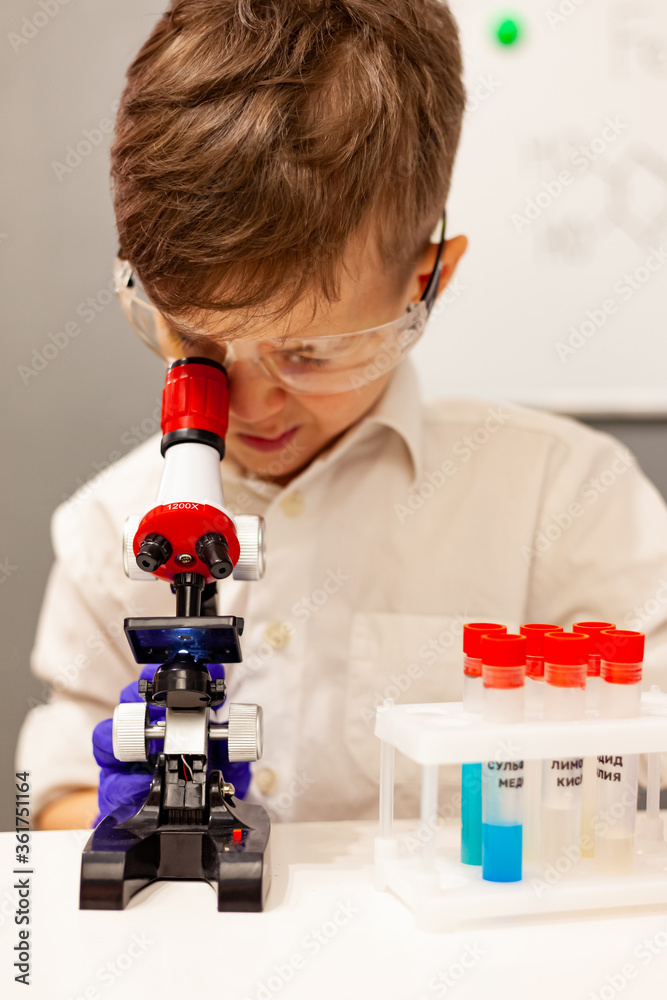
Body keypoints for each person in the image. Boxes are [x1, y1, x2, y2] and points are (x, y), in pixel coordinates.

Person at [17, 0, 667, 832]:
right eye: (201, 342)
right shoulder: (111, 530)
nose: (247, 403)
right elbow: (50, 796)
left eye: (310, 352)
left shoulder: (566, 506)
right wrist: (133, 817)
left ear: (426, 282)